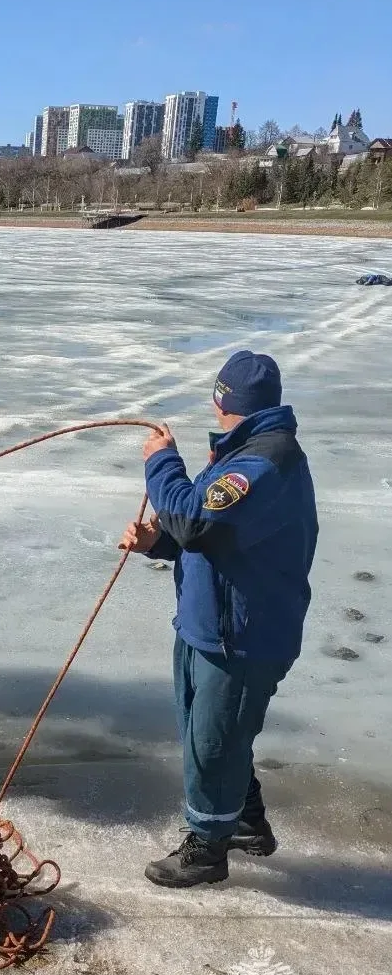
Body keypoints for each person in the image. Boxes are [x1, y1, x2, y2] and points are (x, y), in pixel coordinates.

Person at [120, 351, 318, 888]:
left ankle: (207, 850)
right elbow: (217, 538)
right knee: (214, 734)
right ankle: (246, 824)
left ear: (222, 400)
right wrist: (157, 542)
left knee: (214, 743)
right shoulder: (245, 451)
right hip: (212, 625)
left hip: (242, 637)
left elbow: (197, 522)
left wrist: (162, 462)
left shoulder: (264, 463)